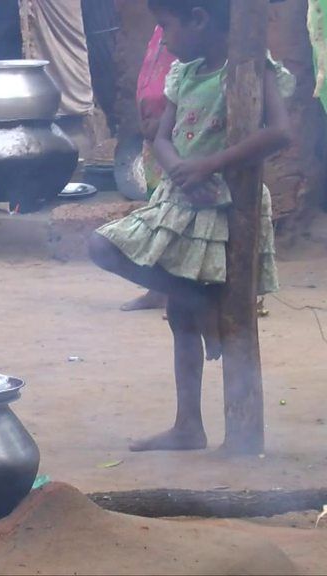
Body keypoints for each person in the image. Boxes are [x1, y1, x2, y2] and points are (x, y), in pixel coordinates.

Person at [88, 0, 293, 452]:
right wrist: (182, 170)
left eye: (166, 27)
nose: (163, 39)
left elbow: (280, 132)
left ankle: (220, 427)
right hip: (180, 197)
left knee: (213, 314)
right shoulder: (184, 74)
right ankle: (188, 424)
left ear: (199, 18)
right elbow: (161, 137)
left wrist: (209, 166)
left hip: (227, 206)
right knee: (105, 250)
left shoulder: (248, 68)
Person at [120, 25, 175, 313]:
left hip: (178, 139)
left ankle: (178, 292)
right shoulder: (161, 28)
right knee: (157, 213)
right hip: (154, 140)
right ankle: (159, 289)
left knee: (174, 216)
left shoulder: (187, 29)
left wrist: (164, 123)